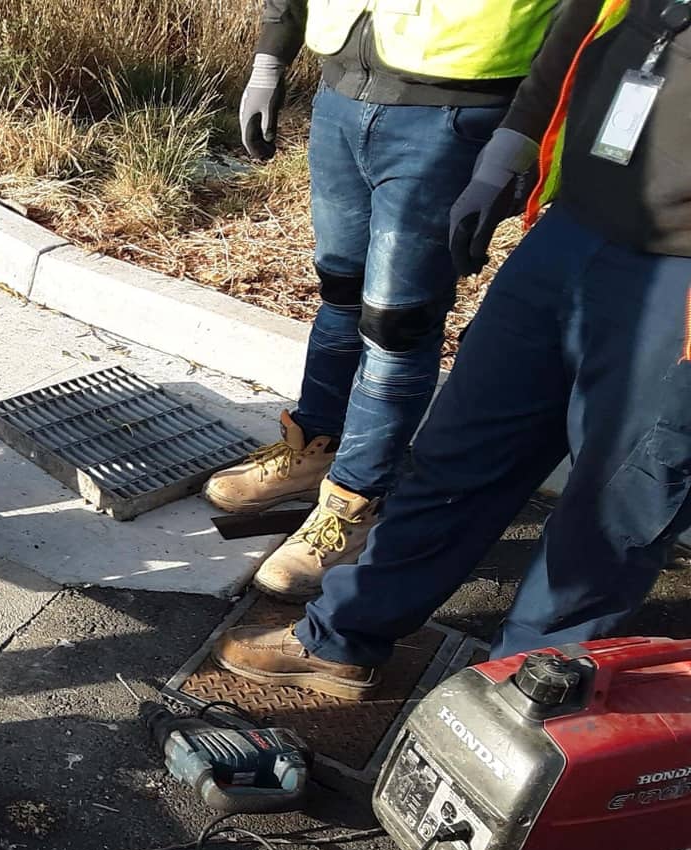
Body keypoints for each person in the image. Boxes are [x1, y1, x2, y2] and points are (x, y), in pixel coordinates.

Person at [213, 0, 691, 698]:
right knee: (459, 449)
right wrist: (515, 142)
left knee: (614, 510)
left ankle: (518, 698)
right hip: (576, 226)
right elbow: (579, 25)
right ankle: (341, 638)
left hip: (680, 277)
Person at [206, 0, 560, 600]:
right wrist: (271, 54)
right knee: (340, 290)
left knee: (398, 323)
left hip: (457, 115)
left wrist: (521, 140)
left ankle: (355, 501)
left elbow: (582, 25)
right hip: (343, 95)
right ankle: (314, 447)